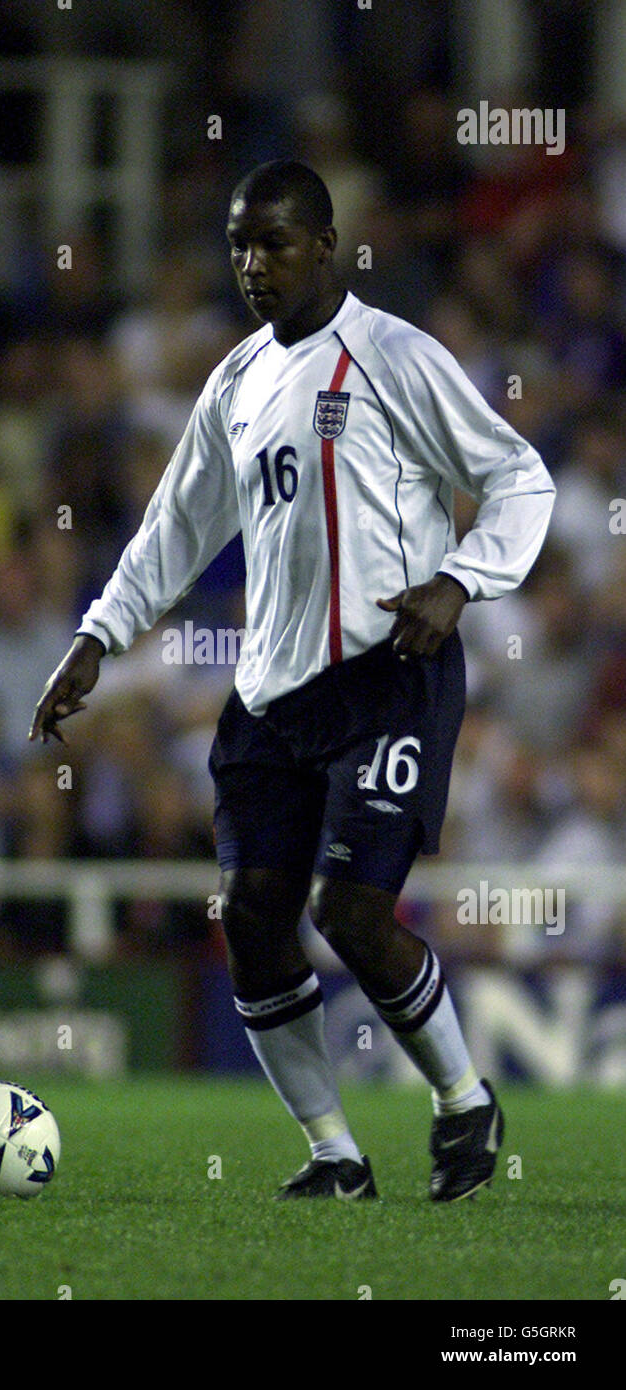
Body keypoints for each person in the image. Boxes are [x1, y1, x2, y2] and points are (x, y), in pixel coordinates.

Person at [30, 161, 555, 1202]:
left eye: (272, 243)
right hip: (269, 700)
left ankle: (462, 1100)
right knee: (254, 916)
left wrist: (459, 580)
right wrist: (98, 635)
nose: (251, 264)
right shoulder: (234, 382)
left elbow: (517, 478)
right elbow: (174, 526)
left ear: (325, 245)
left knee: (352, 910)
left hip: (386, 674)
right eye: (237, 245)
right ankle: (334, 1154)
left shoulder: (394, 355)